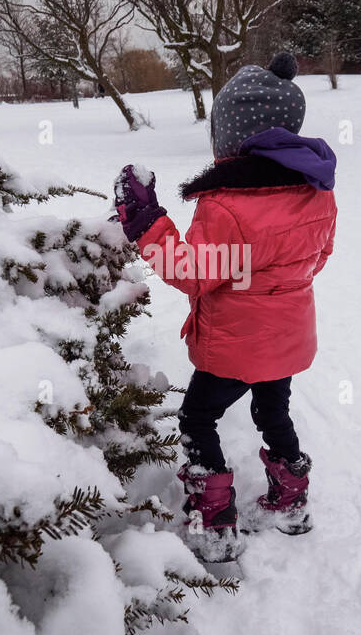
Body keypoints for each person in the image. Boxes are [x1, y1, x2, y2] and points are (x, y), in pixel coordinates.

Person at [112, 52, 337, 561]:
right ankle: (291, 502)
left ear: (231, 137)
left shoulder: (227, 205)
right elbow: (317, 258)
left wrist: (146, 221)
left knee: (196, 419)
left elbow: (193, 273)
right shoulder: (317, 193)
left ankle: (215, 524)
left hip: (235, 347)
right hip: (288, 339)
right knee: (273, 410)